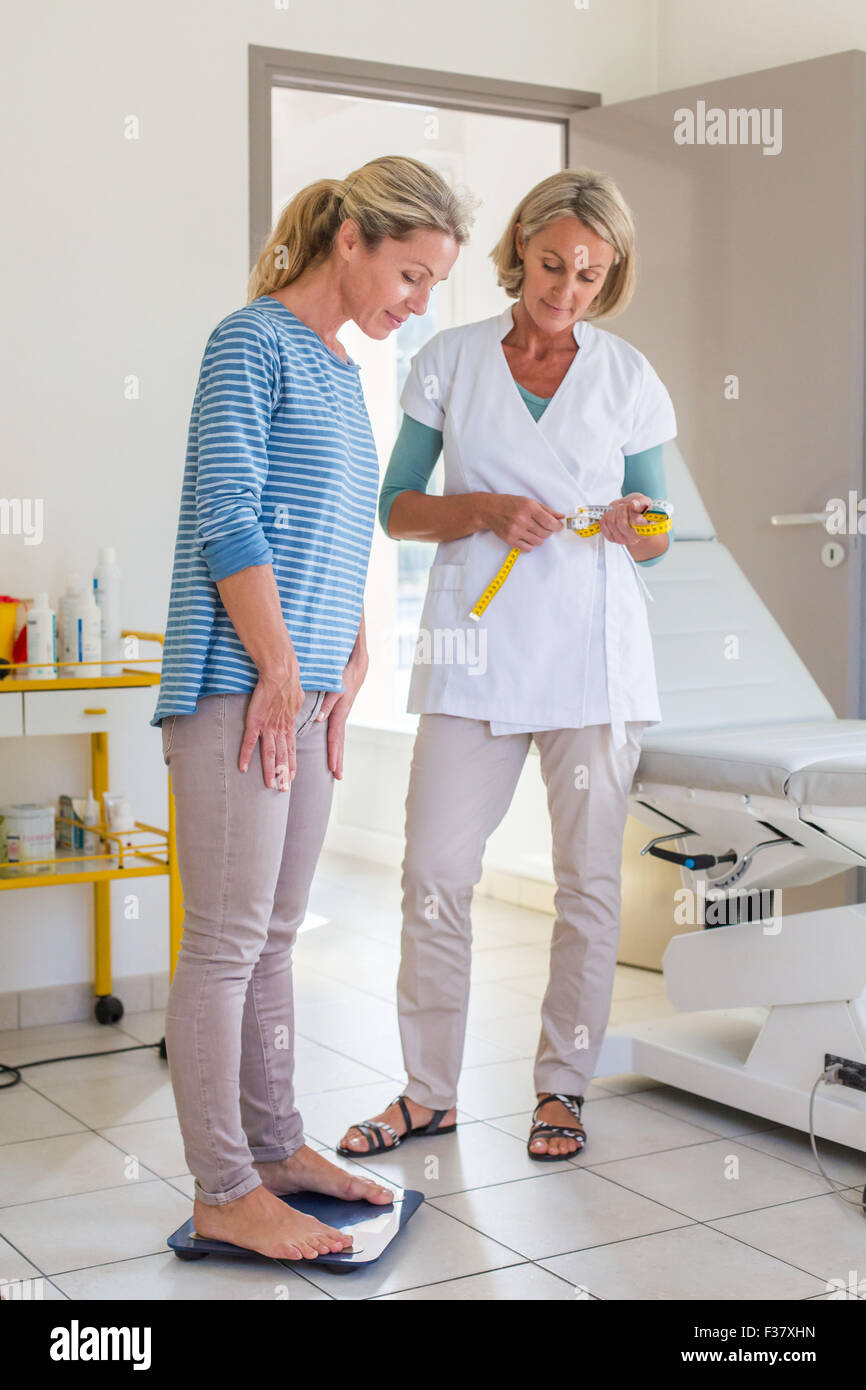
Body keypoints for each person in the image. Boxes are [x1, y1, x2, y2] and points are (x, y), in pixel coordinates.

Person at [150, 156, 471, 1259]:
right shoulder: (250, 341)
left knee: (276, 934)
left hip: (306, 686)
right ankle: (222, 1186)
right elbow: (227, 516)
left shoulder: (340, 372)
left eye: (433, 285)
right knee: (227, 940)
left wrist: (352, 649)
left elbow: (337, 532)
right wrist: (281, 667)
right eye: (411, 275)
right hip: (239, 686)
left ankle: (276, 1146)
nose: (418, 303)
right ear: (352, 241)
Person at [338, 166, 677, 1164]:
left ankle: (561, 1089)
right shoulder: (447, 358)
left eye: (587, 272)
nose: (563, 288)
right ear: (517, 250)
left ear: (606, 276)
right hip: (471, 653)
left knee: (585, 887)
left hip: (591, 657)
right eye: (548, 263)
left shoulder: (626, 376)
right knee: (435, 873)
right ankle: (427, 1093)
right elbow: (395, 506)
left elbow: (657, 528)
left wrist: (632, 522)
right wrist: (482, 509)